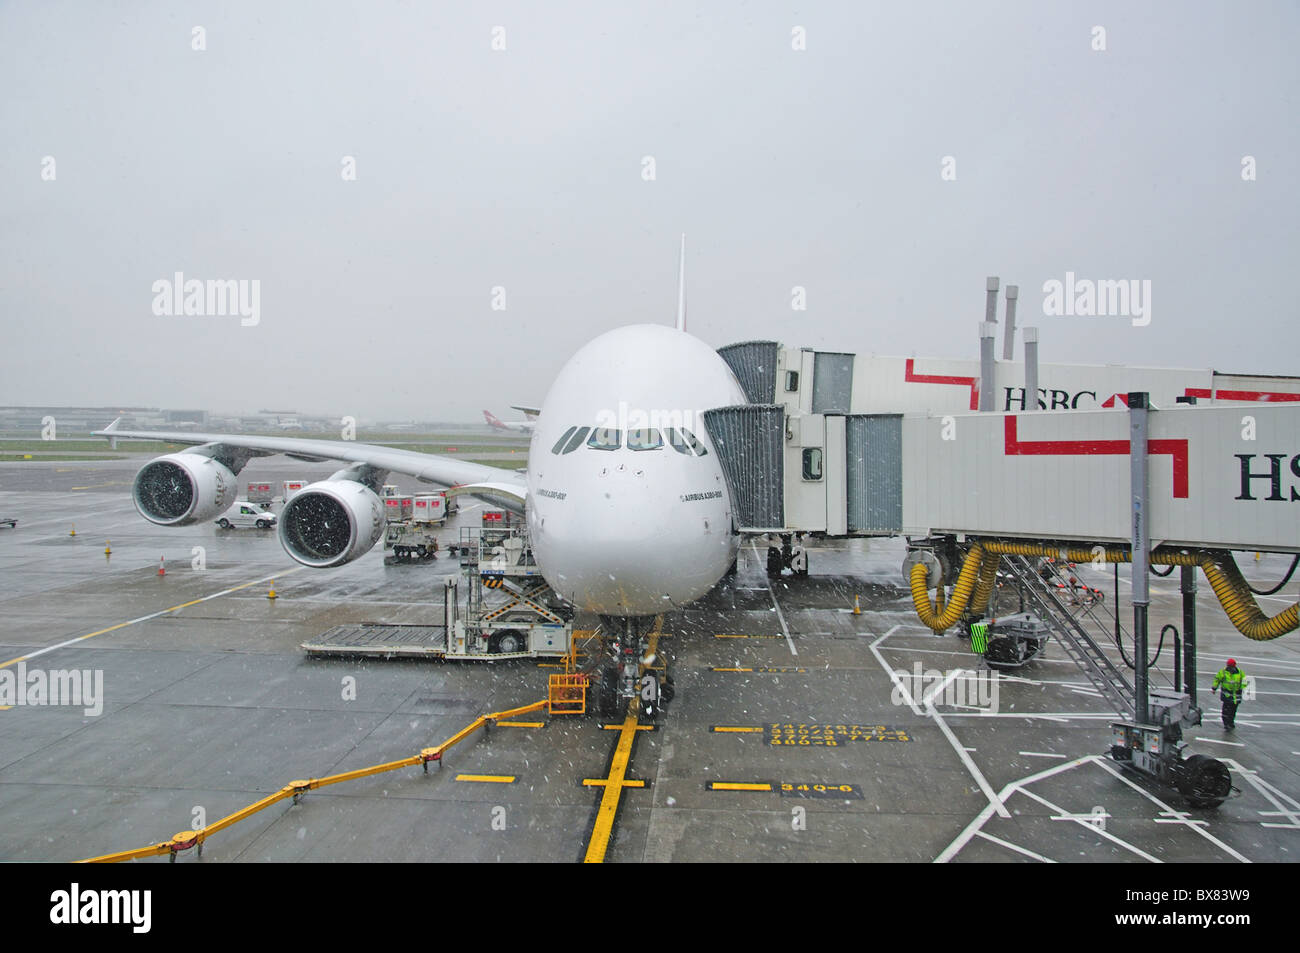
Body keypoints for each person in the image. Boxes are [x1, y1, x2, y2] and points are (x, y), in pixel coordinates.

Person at [1211, 659, 1247, 729]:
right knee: (1226, 709)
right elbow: (1217, 679)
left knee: (1233, 709)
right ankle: (1226, 723)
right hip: (1227, 694)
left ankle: (1231, 722)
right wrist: (1214, 688)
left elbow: (1244, 681)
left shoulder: (1239, 672)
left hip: (1236, 694)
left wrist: (1243, 688)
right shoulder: (1223, 672)